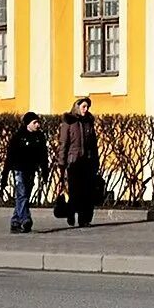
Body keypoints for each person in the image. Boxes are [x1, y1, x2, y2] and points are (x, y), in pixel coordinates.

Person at [57, 96, 102, 227]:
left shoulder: (89, 121)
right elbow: (64, 143)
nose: (86, 109)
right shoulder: (69, 122)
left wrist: (95, 160)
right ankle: (71, 213)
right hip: (74, 162)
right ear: (77, 107)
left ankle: (85, 219)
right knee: (75, 191)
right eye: (83, 107)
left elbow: (93, 143)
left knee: (87, 192)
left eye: (87, 107)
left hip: (88, 161)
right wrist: (62, 162)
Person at [4, 111, 49, 234]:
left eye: (38, 122)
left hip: (31, 170)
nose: (37, 125)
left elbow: (44, 155)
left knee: (23, 196)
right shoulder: (18, 136)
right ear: (28, 124)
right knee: (22, 194)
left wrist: (45, 172)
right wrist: (5, 175)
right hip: (19, 170)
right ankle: (25, 219)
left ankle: (15, 222)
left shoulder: (40, 137)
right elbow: (10, 156)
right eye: (35, 122)